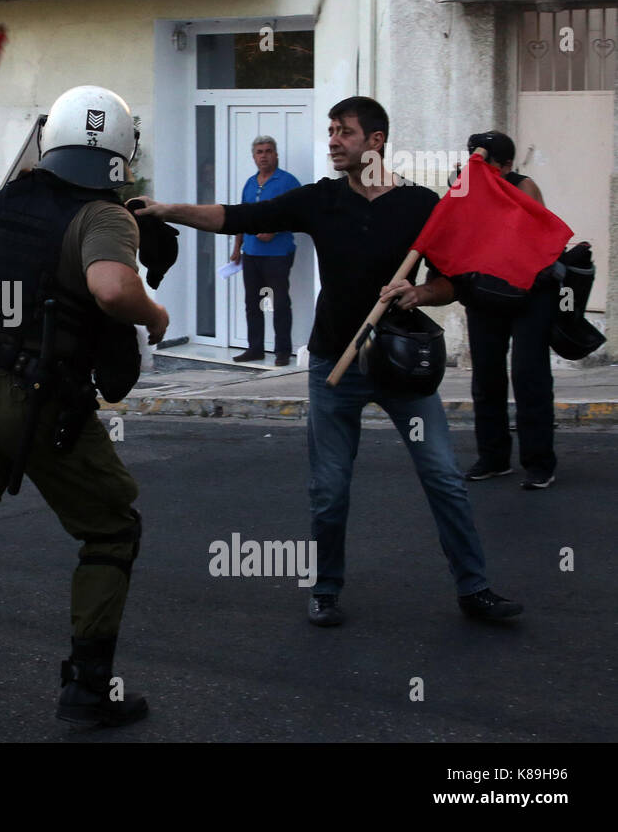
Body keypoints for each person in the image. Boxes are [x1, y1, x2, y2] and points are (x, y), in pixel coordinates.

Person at [135, 96, 523, 627]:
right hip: (333, 365)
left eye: (344, 131)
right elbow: (236, 217)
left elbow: (453, 281)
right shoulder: (319, 200)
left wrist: (418, 293)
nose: (333, 141)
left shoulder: (420, 205)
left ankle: (473, 588)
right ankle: (325, 587)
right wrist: (165, 210)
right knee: (330, 487)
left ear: (376, 141)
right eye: (331, 131)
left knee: (443, 477)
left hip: (399, 365)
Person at [0, 87, 168, 726]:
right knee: (110, 527)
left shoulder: (10, 199)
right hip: (40, 395)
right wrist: (155, 314)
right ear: (122, 150)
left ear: (53, 140)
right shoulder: (105, 216)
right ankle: (87, 688)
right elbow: (111, 287)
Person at [462, 131, 558, 490]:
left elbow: (528, 234)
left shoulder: (524, 186)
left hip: (531, 291)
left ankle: (539, 462)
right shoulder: (464, 186)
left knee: (528, 375)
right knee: (486, 377)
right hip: (485, 290)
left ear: (505, 166)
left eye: (486, 163)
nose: (479, 169)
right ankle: (493, 457)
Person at [230, 135, 300, 365]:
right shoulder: (250, 183)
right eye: (259, 152)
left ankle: (282, 351)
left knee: (279, 303)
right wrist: (237, 247)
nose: (264, 155)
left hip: (278, 255)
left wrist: (275, 231)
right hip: (251, 254)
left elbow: (299, 215)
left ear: (276, 154)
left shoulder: (288, 182)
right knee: (253, 303)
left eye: (268, 151)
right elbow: (242, 216)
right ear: (253, 157)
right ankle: (255, 348)